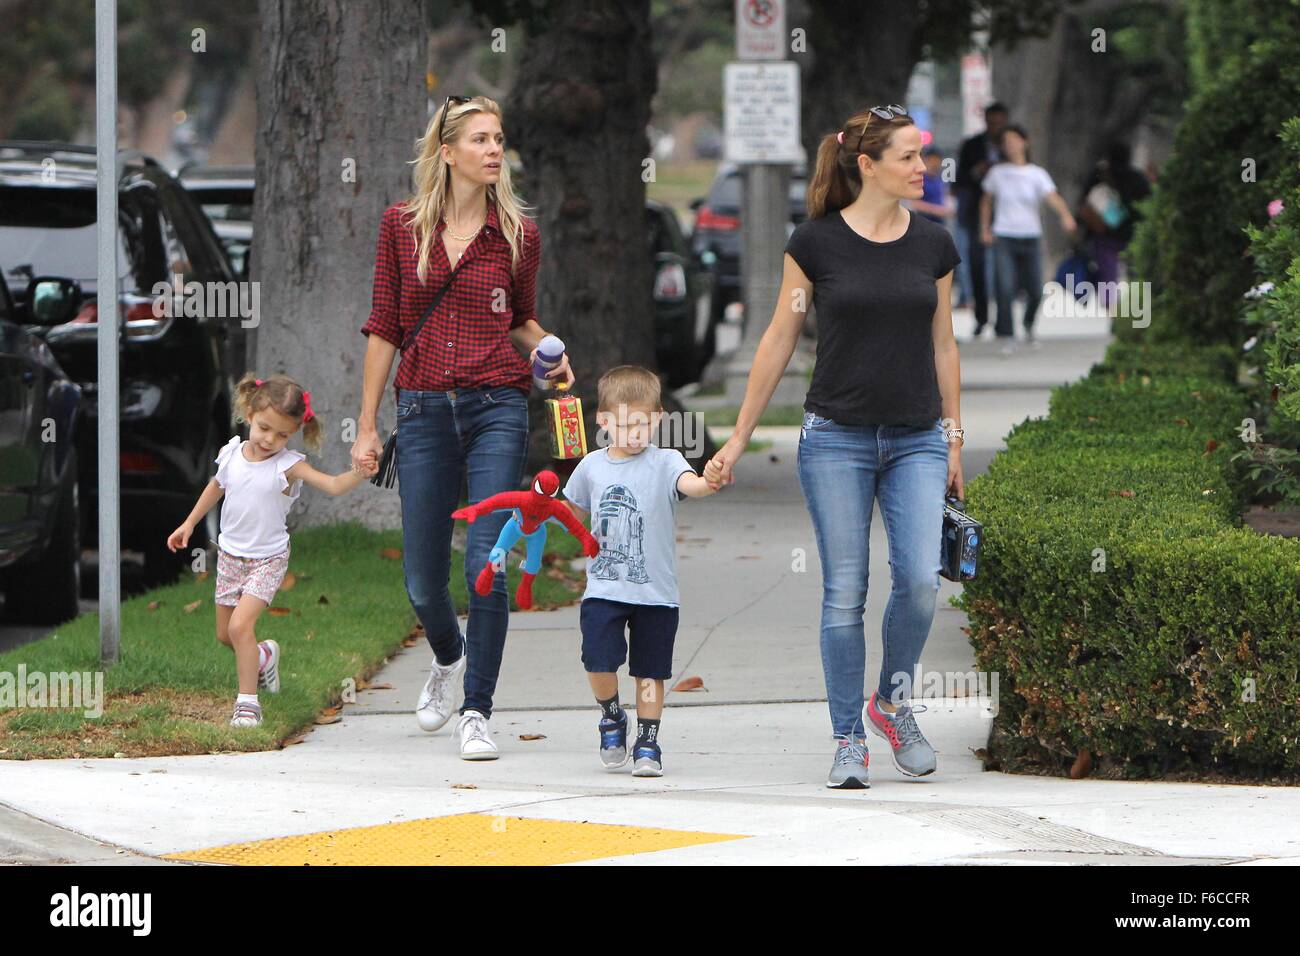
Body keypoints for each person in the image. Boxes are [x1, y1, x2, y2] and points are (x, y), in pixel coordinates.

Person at [706, 105, 966, 790]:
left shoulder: (934, 245)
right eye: (910, 157)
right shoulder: (815, 244)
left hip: (917, 437)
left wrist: (955, 437)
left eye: (923, 155)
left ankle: (892, 703)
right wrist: (738, 436)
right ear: (869, 165)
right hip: (835, 439)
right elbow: (779, 337)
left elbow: (944, 344)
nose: (923, 168)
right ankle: (848, 737)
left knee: (916, 581)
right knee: (843, 591)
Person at [350, 95, 576, 760]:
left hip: (496, 407)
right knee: (422, 579)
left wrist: (552, 352)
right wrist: (366, 426)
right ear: (446, 151)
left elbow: (520, 320)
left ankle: (477, 710)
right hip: (421, 411)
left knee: (487, 563)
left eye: (498, 139)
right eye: (479, 139)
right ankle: (447, 657)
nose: (493, 150)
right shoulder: (401, 228)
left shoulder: (517, 235)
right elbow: (385, 327)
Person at [167, 374, 376, 728]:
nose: (270, 440)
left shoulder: (288, 465)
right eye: (264, 428)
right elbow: (215, 487)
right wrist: (189, 524)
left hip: (268, 560)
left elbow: (333, 485)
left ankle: (248, 704)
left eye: (282, 434)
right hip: (231, 556)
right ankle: (264, 655)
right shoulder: (232, 453)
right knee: (224, 634)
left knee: (239, 627)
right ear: (249, 413)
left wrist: (359, 472)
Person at [561, 366, 722, 777]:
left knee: (649, 671)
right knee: (598, 661)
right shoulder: (591, 466)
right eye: (624, 424)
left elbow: (692, 485)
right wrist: (539, 508)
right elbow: (571, 512)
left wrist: (710, 480)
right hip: (603, 588)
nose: (634, 433)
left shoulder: (667, 461)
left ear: (658, 419)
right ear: (602, 421)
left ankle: (648, 741)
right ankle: (612, 715)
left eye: (642, 423)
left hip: (656, 594)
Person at [979, 124, 1077, 353]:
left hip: (1030, 236)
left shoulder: (1036, 173)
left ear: (1025, 142)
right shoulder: (997, 173)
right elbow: (986, 202)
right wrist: (984, 228)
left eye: (1015, 140)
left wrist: (1065, 216)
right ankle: (1007, 334)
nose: (1011, 145)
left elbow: (1052, 197)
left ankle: (1029, 323)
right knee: (1004, 286)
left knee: (1035, 288)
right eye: (1006, 141)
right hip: (1004, 235)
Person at [1076, 141, 1151, 312]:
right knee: (1136, 275)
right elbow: (1148, 205)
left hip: (1104, 234)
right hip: (1132, 235)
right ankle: (1138, 312)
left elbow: (1084, 203)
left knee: (1108, 276)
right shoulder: (1137, 178)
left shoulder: (1099, 175)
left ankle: (1114, 315)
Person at [955, 103, 1009, 338]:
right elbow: (959, 180)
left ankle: (1004, 321)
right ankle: (981, 316)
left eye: (999, 122)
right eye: (991, 122)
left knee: (1004, 271)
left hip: (1007, 213)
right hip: (977, 214)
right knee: (977, 266)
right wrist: (978, 171)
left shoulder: (1012, 145)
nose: (995, 126)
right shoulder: (972, 146)